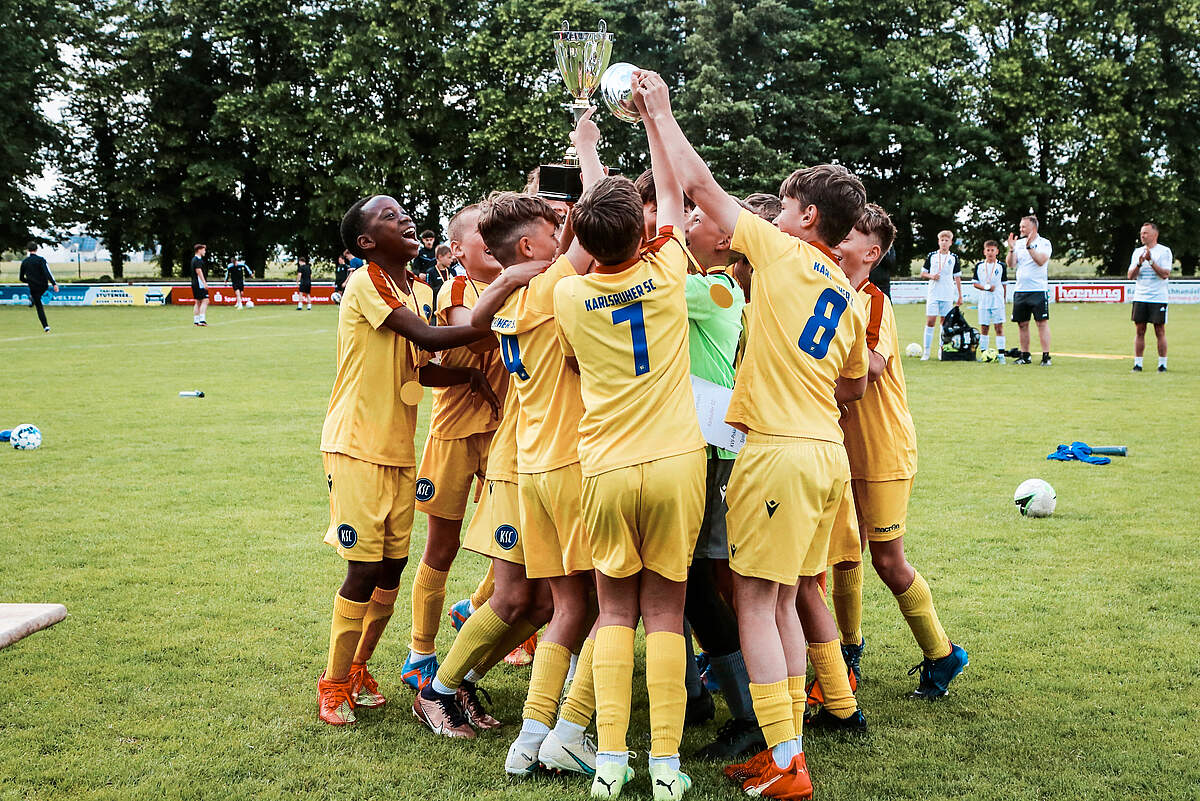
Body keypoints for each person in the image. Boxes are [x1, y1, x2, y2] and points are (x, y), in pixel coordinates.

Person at [642, 71, 868, 800]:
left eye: (785, 202)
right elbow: (854, 385)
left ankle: (788, 763)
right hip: (825, 453)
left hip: (776, 450)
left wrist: (664, 112)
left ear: (802, 215)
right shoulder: (848, 293)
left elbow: (701, 185)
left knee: (754, 603)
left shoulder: (780, 251)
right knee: (779, 600)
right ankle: (786, 748)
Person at [554, 100, 708, 799]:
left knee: (614, 612)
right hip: (677, 460)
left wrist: (586, 149)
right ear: (643, 233)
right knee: (668, 614)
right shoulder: (671, 270)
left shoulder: (566, 295)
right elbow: (670, 189)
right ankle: (668, 767)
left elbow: (593, 229)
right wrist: (652, 117)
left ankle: (611, 760)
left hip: (606, 464)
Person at [316, 194, 500, 727]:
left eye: (404, 212)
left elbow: (421, 365)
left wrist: (467, 376)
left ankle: (358, 670)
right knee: (365, 567)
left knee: (392, 569)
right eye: (389, 217)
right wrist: (510, 304)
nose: (405, 219)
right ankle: (332, 682)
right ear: (366, 242)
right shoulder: (366, 279)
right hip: (354, 444)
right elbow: (429, 335)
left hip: (397, 449)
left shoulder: (419, 289)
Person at [469, 121, 603, 780]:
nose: (561, 232)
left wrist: (554, 215)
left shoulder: (510, 300)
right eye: (550, 229)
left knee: (570, 606)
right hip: (576, 466)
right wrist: (587, 152)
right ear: (529, 244)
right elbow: (603, 226)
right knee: (607, 606)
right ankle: (570, 731)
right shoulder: (550, 286)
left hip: (535, 470)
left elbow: (565, 242)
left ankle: (530, 738)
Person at [824, 204, 968, 718]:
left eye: (852, 234)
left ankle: (943, 654)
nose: (838, 240)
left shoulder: (872, 301)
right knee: (844, 554)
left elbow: (874, 367)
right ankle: (848, 651)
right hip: (838, 450)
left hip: (883, 450)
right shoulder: (828, 290)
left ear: (872, 252)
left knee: (887, 560)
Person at [403, 204, 510, 692]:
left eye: (496, 234)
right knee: (441, 547)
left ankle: (476, 607)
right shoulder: (457, 288)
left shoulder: (519, 283)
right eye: (479, 236)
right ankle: (419, 652)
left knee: (515, 542)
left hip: (505, 430)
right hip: (452, 432)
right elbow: (483, 338)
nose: (490, 241)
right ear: (457, 250)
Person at [1006, 215, 1052, 365]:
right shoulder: (1018, 244)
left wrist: (1029, 247)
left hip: (1038, 290)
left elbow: (1040, 261)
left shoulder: (1044, 243)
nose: (1021, 229)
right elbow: (1011, 264)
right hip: (1021, 290)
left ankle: (1046, 356)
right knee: (1022, 324)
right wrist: (1012, 250)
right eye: (1020, 226)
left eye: (1023, 227)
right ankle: (1025, 355)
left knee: (1041, 323)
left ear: (1033, 227)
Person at [1127, 222, 1172, 372]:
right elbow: (1130, 276)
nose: (1142, 236)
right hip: (1140, 296)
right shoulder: (1137, 252)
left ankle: (1162, 364)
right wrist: (1139, 264)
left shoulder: (1164, 251)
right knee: (1140, 330)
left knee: (1159, 330)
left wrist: (1151, 262)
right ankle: (1138, 363)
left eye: (1145, 233)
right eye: (1141, 233)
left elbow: (1165, 274)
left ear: (1155, 235)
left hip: (1158, 297)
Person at [919, 230, 963, 360]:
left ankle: (941, 350)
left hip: (947, 294)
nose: (944, 242)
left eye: (946, 240)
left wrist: (960, 295)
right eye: (942, 240)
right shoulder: (932, 256)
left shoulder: (953, 258)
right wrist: (932, 276)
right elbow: (923, 273)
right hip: (933, 293)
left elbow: (957, 277)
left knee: (944, 323)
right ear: (939, 242)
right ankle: (926, 352)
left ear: (950, 243)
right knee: (930, 321)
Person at [972, 241, 1007, 362]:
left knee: (999, 327)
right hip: (984, 301)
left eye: (992, 250)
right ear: (984, 252)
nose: (990, 253)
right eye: (988, 250)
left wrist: (1003, 300)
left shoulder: (1001, 266)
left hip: (997, 301)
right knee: (984, 327)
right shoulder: (980, 266)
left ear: (997, 251)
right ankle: (984, 353)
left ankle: (1002, 355)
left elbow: (1004, 285)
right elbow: (975, 283)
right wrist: (985, 288)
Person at [18, 241, 58, 332]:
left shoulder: (25, 262)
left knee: (39, 307)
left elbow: (21, 277)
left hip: (33, 287)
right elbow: (47, 272)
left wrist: (29, 281)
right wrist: (54, 283)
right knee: (38, 299)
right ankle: (32, 299)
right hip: (43, 285)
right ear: (36, 249)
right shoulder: (41, 260)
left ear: (28, 250)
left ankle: (46, 326)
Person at [190, 244, 209, 326]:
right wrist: (204, 282)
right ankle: (202, 320)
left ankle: (196, 320)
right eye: (203, 250)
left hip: (194, 283)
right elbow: (199, 271)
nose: (205, 252)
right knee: (205, 300)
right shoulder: (197, 260)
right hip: (199, 283)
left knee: (197, 302)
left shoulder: (193, 259)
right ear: (199, 250)